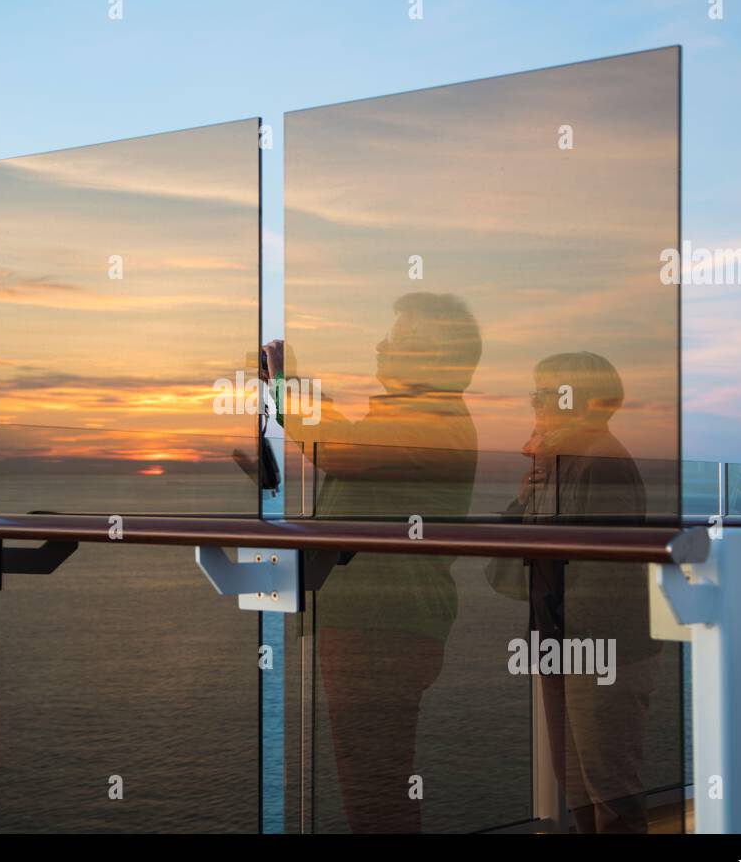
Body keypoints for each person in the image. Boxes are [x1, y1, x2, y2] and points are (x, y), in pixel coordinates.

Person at [264, 292, 481, 832]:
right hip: (373, 618)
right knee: (373, 780)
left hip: (383, 623)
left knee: (375, 788)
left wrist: (288, 385)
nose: (382, 345)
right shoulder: (410, 421)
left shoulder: (438, 424)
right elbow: (346, 452)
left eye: (401, 338)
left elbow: (338, 448)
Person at [503, 351, 662, 833]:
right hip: (564, 637)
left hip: (601, 643)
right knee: (575, 781)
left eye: (544, 393)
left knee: (609, 786)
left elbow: (604, 571)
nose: (535, 403)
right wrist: (529, 492)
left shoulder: (602, 463)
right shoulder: (562, 462)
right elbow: (514, 558)